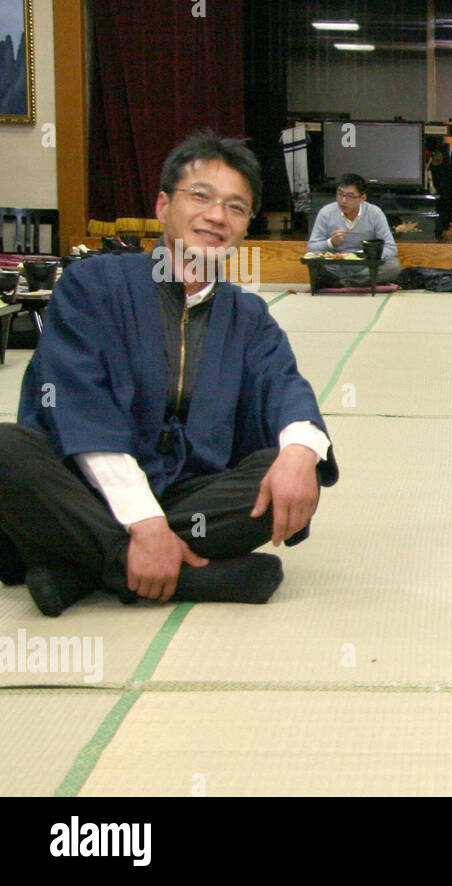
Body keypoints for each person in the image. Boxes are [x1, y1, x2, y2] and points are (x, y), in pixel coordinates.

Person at [0, 131, 338, 617]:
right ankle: (178, 572)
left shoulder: (247, 316)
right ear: (162, 206)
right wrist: (144, 524)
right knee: (8, 450)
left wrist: (302, 452)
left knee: (279, 471)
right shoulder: (94, 284)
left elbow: (283, 384)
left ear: (245, 227)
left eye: (236, 207)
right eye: (200, 196)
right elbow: (75, 403)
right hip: (85, 485)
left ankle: (78, 568)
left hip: (187, 492)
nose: (217, 216)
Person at [306, 173, 401, 286]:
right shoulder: (326, 213)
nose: (343, 201)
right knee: (315, 263)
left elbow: (391, 248)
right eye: (340, 194)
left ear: (362, 198)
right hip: (338, 264)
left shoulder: (375, 213)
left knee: (394, 266)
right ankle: (359, 282)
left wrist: (365, 254)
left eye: (350, 196)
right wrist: (330, 243)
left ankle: (344, 283)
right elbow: (311, 247)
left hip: (366, 264)